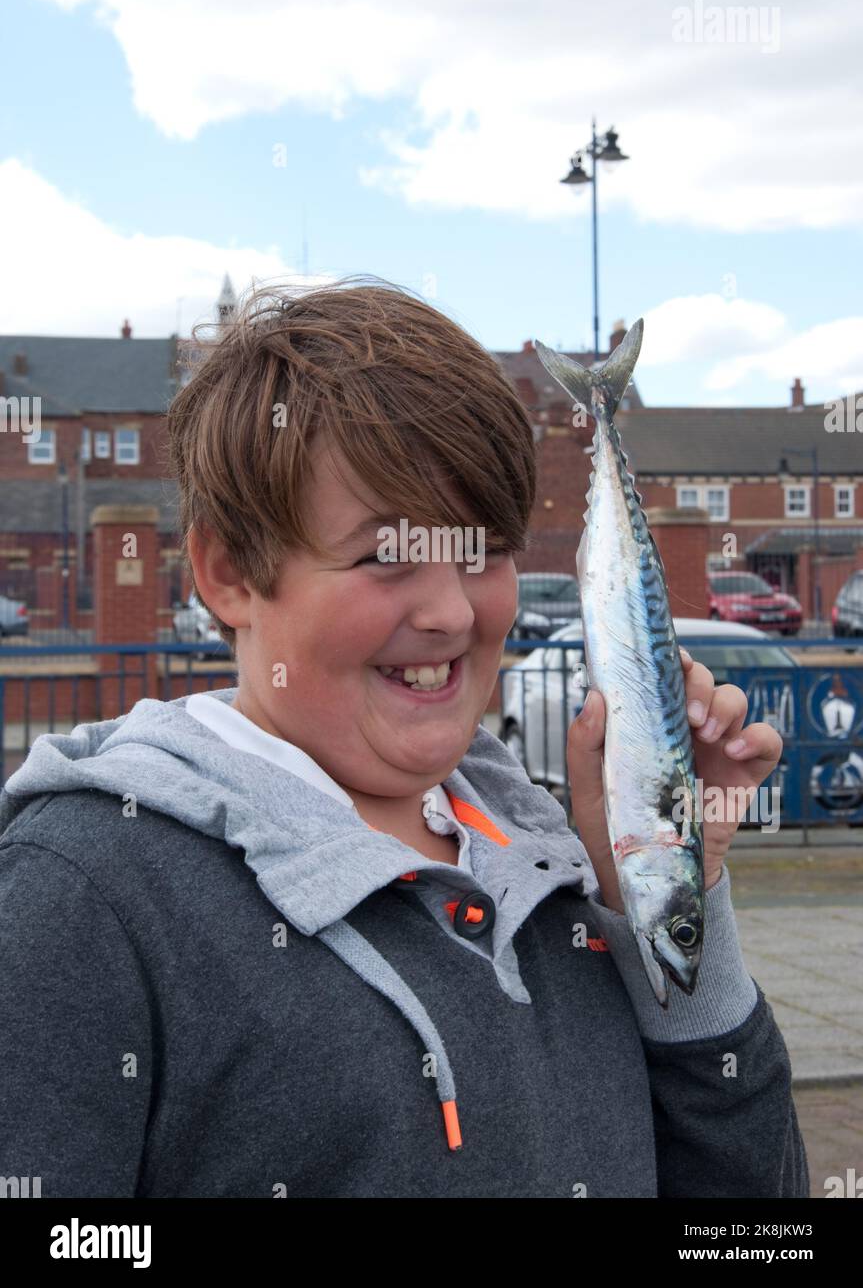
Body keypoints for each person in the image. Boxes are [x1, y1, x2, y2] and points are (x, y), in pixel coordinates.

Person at [0, 278, 808, 1197]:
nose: (451, 610)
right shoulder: (82, 897)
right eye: (385, 554)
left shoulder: (561, 870)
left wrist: (665, 897)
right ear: (228, 573)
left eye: (483, 550)